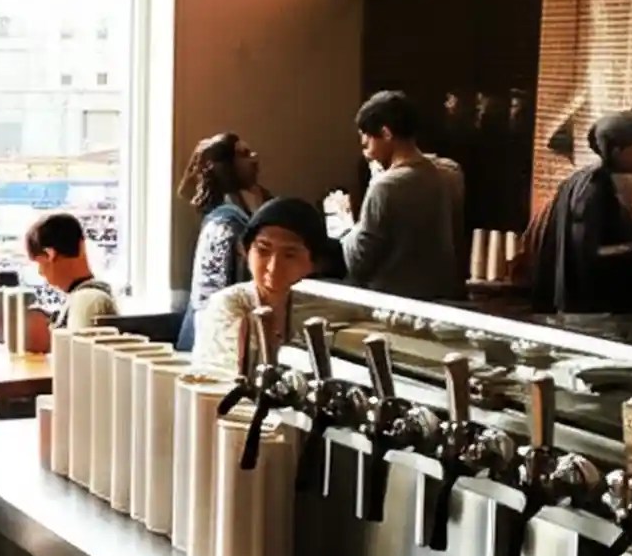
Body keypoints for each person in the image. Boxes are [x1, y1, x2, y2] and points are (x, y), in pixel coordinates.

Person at [327, 91, 462, 301]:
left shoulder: (386, 186)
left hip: (391, 303)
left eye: (367, 135)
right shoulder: (447, 174)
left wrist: (344, 223)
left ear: (386, 133)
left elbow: (359, 262)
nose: (364, 143)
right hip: (437, 300)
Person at [192, 198, 328, 377]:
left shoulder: (316, 307)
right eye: (263, 251)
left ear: (314, 263)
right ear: (246, 252)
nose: (273, 267)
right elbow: (231, 377)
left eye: (289, 255)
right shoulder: (228, 304)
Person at [524, 110, 632, 314]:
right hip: (591, 309)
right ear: (616, 151)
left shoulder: (604, 182)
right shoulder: (592, 188)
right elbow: (587, 252)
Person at [175, 133, 272, 351]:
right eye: (244, 154)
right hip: (217, 339)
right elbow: (214, 296)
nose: (254, 158)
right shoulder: (224, 224)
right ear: (226, 165)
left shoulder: (260, 204)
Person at [22, 212, 119, 352]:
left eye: (39, 264)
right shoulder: (93, 297)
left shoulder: (86, 301)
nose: (40, 273)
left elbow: (78, 359)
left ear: (50, 255)